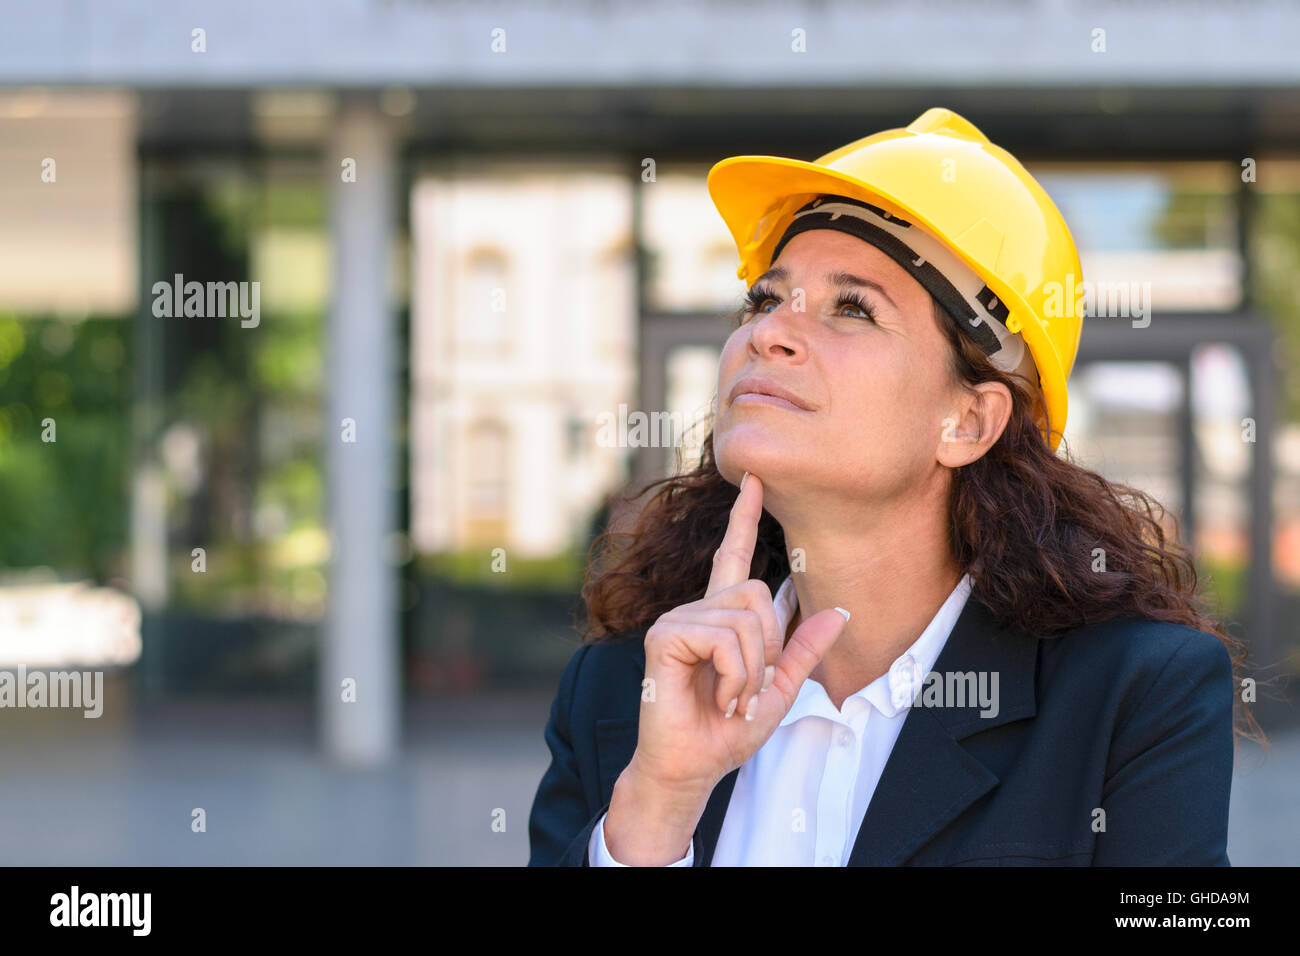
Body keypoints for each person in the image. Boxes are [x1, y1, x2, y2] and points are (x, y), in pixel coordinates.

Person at [527, 107, 1263, 867]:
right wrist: (659, 804)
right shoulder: (625, 692)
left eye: (853, 308)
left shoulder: (1131, 695)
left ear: (970, 422)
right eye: (764, 299)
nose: (766, 333)